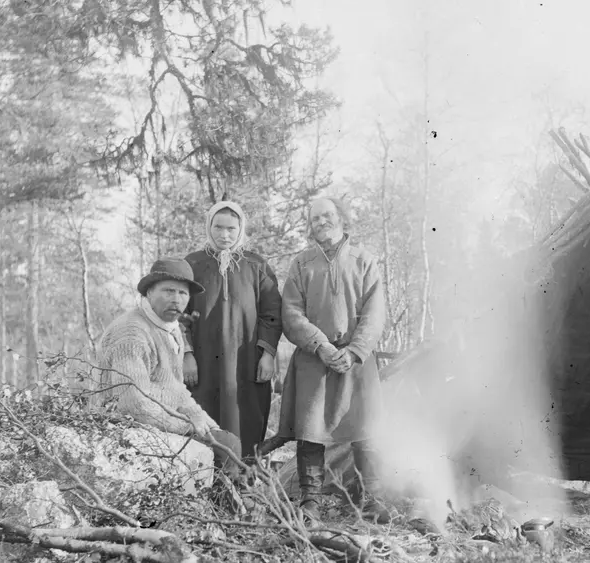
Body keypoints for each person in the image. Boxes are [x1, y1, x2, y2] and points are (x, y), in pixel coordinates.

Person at [277, 195, 389, 523]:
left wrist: (354, 350)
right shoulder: (301, 263)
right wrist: (320, 345)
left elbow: (375, 311)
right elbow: (291, 311)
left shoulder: (363, 260)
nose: (321, 222)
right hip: (315, 360)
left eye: (327, 215)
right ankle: (310, 500)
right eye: (314, 219)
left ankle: (372, 500)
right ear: (309, 227)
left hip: (355, 360)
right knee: (311, 432)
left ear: (341, 218)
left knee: (364, 428)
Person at [95, 257, 243, 467]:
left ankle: (229, 496)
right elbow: (133, 405)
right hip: (125, 426)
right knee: (219, 449)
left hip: (160, 420)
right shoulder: (132, 334)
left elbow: (176, 390)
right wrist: (189, 426)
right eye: (168, 291)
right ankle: (226, 498)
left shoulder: (169, 327)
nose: (176, 299)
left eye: (182, 293)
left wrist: (206, 423)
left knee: (226, 441)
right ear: (148, 292)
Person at [181, 201, 283, 462]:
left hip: (247, 363)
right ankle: (206, 487)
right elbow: (180, 315)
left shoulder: (256, 265)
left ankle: (245, 488)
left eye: (231, 228)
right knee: (204, 419)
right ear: (208, 226)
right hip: (203, 364)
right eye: (218, 227)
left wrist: (268, 353)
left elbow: (272, 314)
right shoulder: (191, 264)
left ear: (240, 229)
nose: (224, 235)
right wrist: (186, 354)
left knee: (247, 418)